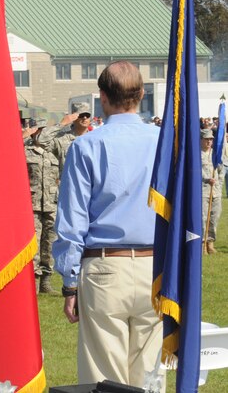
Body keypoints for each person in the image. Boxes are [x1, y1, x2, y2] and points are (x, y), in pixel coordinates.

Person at [53, 61, 163, 386]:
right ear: (142, 94)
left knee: (105, 379)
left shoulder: (87, 145)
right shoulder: (163, 141)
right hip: (155, 266)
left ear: (102, 97)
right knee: (149, 377)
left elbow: (72, 221)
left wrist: (69, 284)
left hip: (105, 267)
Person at [25, 117, 60, 294]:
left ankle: (46, 280)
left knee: (50, 242)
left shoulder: (52, 153)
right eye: (41, 130)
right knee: (34, 243)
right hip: (32, 204)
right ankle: (34, 281)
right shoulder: (25, 151)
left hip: (51, 204)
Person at [201, 128, 223, 255]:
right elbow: (196, 171)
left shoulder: (216, 155)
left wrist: (218, 182)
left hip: (216, 192)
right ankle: (203, 243)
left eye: (211, 139)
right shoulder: (197, 155)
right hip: (203, 191)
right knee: (203, 218)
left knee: (214, 217)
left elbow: (221, 170)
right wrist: (206, 179)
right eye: (207, 139)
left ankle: (210, 243)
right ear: (201, 140)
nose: (209, 142)